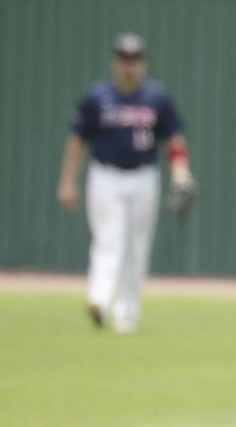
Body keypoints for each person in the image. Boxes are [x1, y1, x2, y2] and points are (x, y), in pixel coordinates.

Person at [55, 32, 196, 334]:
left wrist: (181, 172)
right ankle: (100, 300)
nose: (129, 65)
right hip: (105, 175)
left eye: (135, 59)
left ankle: (128, 311)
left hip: (144, 176)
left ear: (143, 63)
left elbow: (174, 138)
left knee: (137, 245)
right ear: (114, 62)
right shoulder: (97, 98)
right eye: (124, 59)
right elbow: (77, 140)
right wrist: (67, 181)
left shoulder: (157, 97)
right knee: (108, 238)